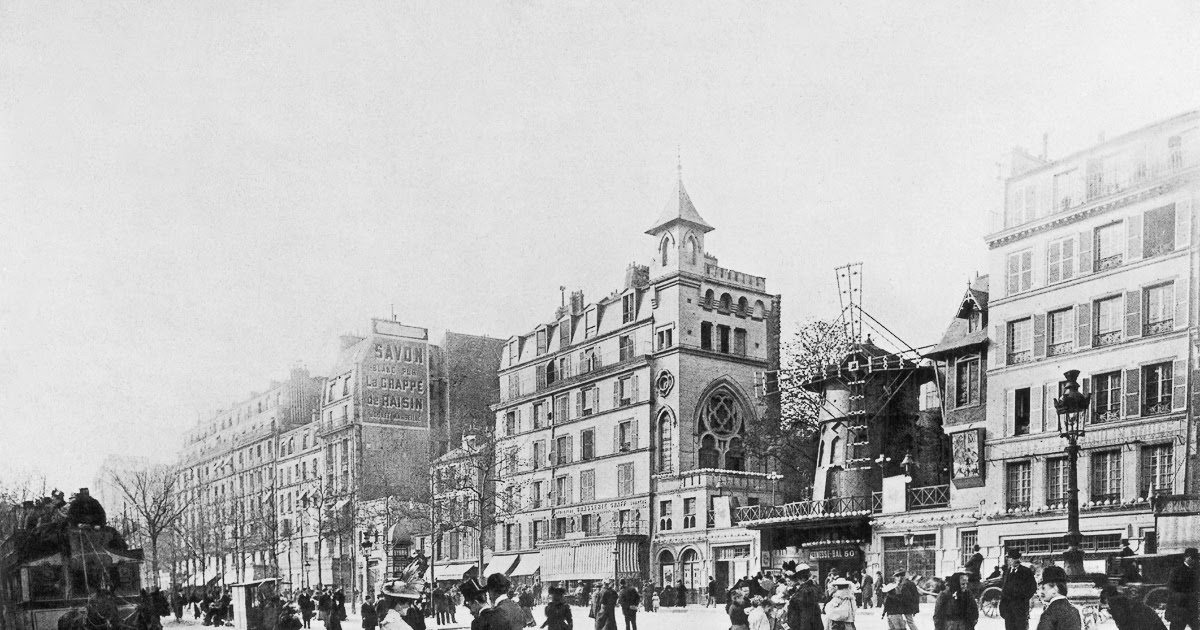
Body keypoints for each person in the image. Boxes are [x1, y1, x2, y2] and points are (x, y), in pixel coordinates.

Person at [999, 549, 1037, 630]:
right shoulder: (1006, 572)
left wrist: (1024, 598)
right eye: (1011, 558)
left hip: (1020, 609)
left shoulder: (1026, 571)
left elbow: (1033, 587)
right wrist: (1002, 606)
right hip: (1008, 609)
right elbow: (1004, 589)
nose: (1013, 560)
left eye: (1015, 558)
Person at [1099, 585, 1166, 630]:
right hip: (1153, 624)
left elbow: (1123, 623)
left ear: (1106, 597)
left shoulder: (1115, 603)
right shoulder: (1124, 600)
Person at [1034, 566, 1080, 630]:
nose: (1042, 591)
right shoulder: (1074, 611)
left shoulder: (1049, 613)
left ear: (1054, 589)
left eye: (1044, 588)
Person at [1167, 548, 1200, 630]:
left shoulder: (1196, 570)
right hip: (1179, 609)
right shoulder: (1176, 571)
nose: (1197, 561)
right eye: (1195, 559)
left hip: (1192, 609)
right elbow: (1172, 591)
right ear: (1189, 558)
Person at [785, 565, 822, 630]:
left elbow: (793, 616)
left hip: (803, 625)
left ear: (799, 578)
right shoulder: (815, 589)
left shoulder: (800, 593)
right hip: (816, 625)